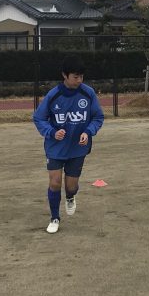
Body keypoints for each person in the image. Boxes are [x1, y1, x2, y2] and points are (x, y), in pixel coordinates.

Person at [32, 56, 104, 233]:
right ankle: (54, 217)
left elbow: (97, 117)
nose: (79, 80)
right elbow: (39, 118)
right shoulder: (53, 95)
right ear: (65, 75)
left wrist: (88, 132)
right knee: (55, 182)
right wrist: (52, 132)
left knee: (71, 186)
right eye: (75, 77)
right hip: (55, 148)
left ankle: (70, 196)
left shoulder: (88, 93)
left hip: (77, 148)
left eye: (81, 77)